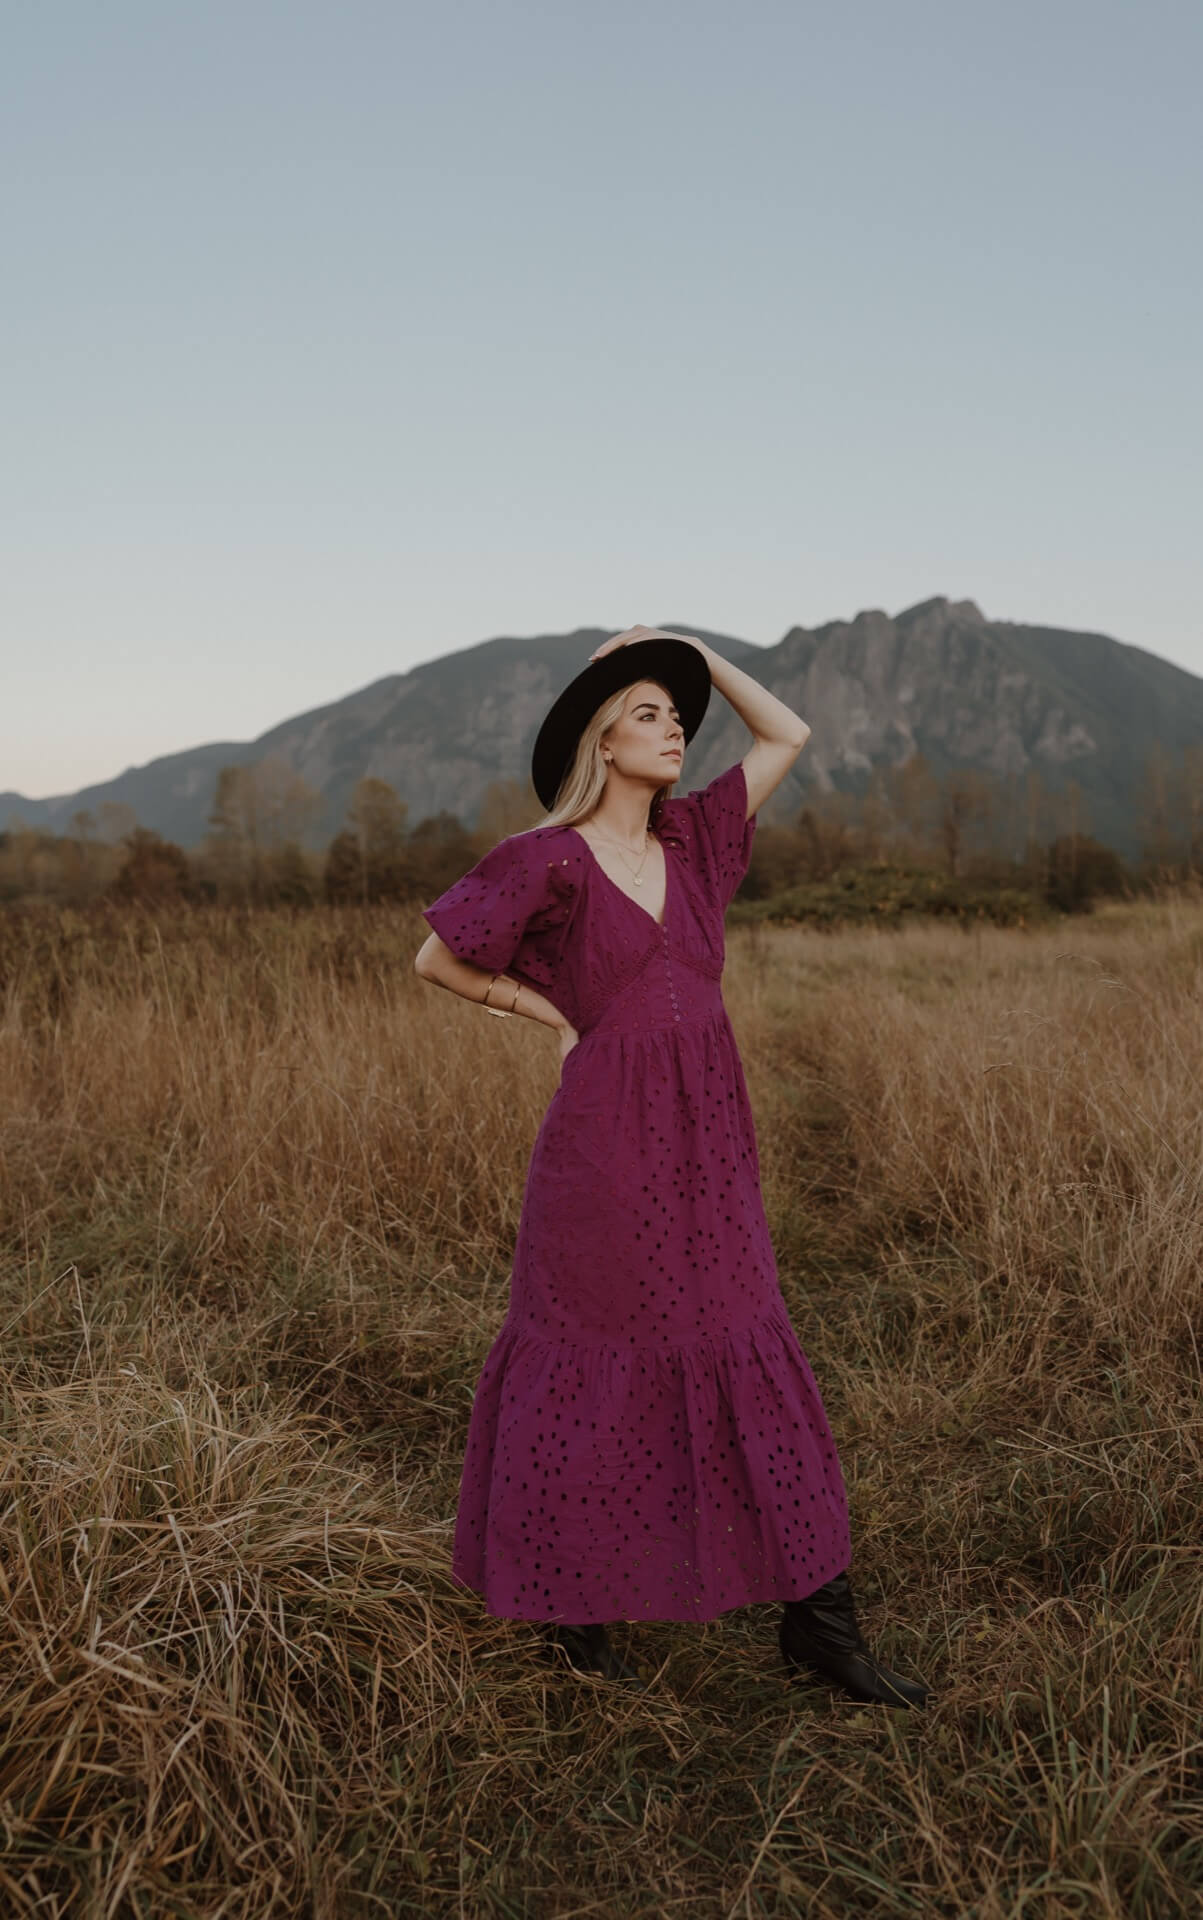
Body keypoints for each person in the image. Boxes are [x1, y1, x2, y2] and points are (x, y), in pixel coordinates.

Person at [414, 625, 931, 1708]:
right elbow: (437, 957)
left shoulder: (699, 838)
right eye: (648, 713)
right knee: (591, 1369)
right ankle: (572, 1614)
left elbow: (787, 729)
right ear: (601, 742)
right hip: (600, 1152)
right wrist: (546, 1009)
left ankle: (819, 1625)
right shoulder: (542, 860)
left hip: (711, 1142)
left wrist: (688, 648)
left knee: (748, 1346)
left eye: (676, 715)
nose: (675, 729)